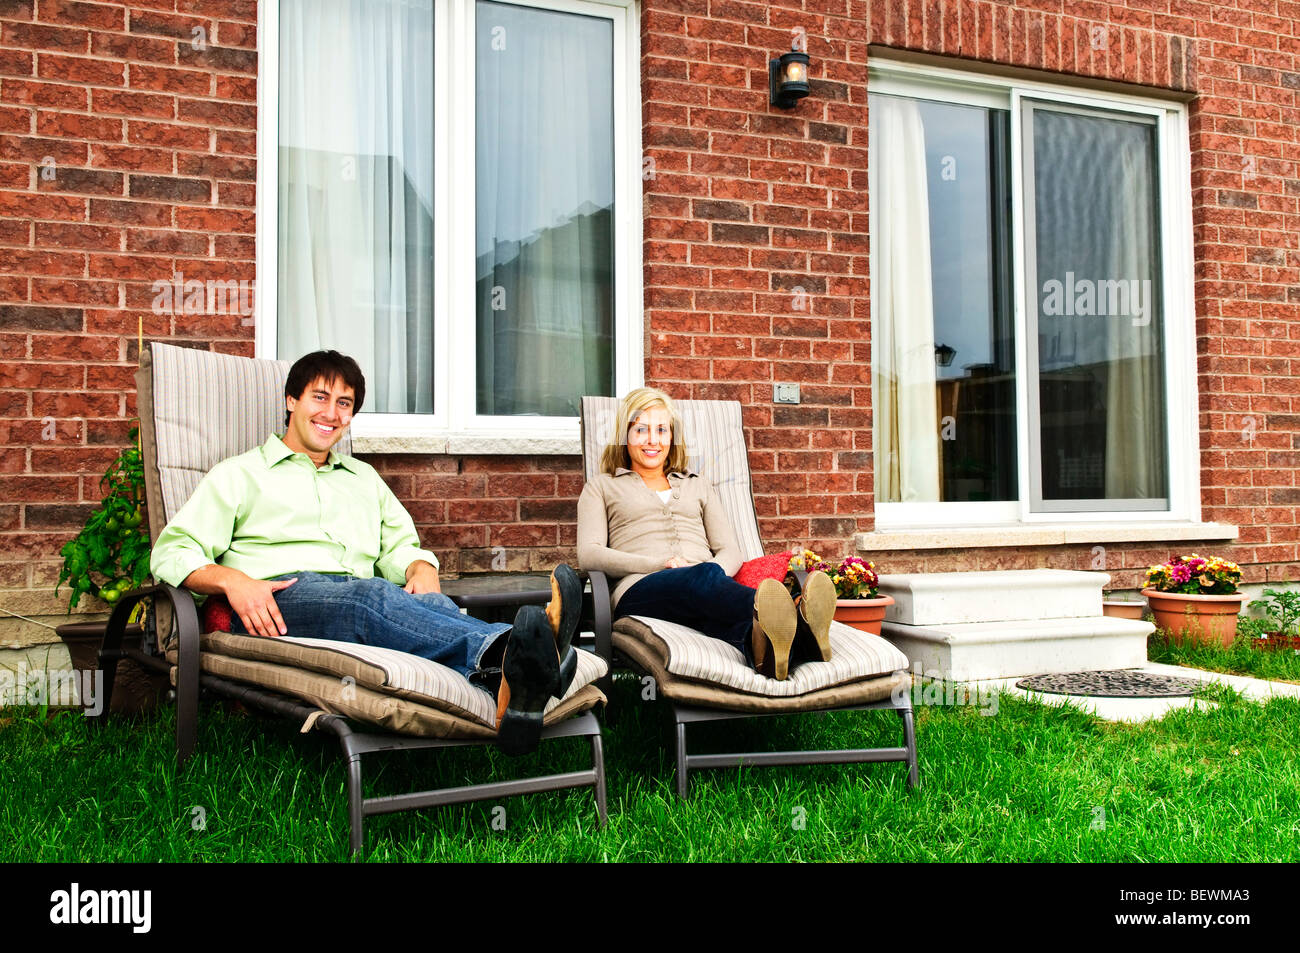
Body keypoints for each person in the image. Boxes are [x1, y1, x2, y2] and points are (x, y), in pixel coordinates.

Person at [149, 349, 581, 755]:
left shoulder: (363, 478)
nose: (331, 413)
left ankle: (508, 678)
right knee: (368, 599)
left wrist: (418, 566)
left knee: (423, 600)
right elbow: (172, 551)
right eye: (320, 397)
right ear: (291, 400)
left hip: (358, 595)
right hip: (274, 604)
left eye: (344, 403)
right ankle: (523, 652)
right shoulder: (240, 474)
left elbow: (399, 545)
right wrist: (232, 580)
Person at [576, 387, 836, 680]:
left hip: (705, 587)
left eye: (662, 430)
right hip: (640, 588)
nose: (652, 440)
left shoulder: (697, 485)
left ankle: (775, 651)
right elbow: (589, 554)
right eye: (641, 430)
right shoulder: (601, 487)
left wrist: (712, 572)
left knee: (718, 603)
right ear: (625, 435)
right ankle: (796, 617)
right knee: (701, 579)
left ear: (672, 437)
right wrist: (659, 564)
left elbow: (730, 550)